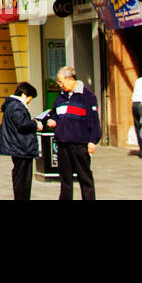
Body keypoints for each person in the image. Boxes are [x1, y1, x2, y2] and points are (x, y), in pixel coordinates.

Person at [46, 66, 101, 201]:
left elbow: (94, 121)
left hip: (79, 143)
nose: (60, 85)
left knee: (84, 177)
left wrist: (93, 141)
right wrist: (52, 119)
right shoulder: (61, 97)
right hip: (63, 142)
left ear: (70, 79)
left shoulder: (87, 97)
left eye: (61, 82)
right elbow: (54, 112)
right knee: (65, 178)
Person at [0, 82, 42, 200]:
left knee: (21, 177)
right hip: (21, 147)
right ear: (24, 95)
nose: (29, 101)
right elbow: (22, 124)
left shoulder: (12, 105)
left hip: (18, 147)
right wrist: (35, 124)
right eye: (30, 98)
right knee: (23, 179)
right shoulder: (17, 106)